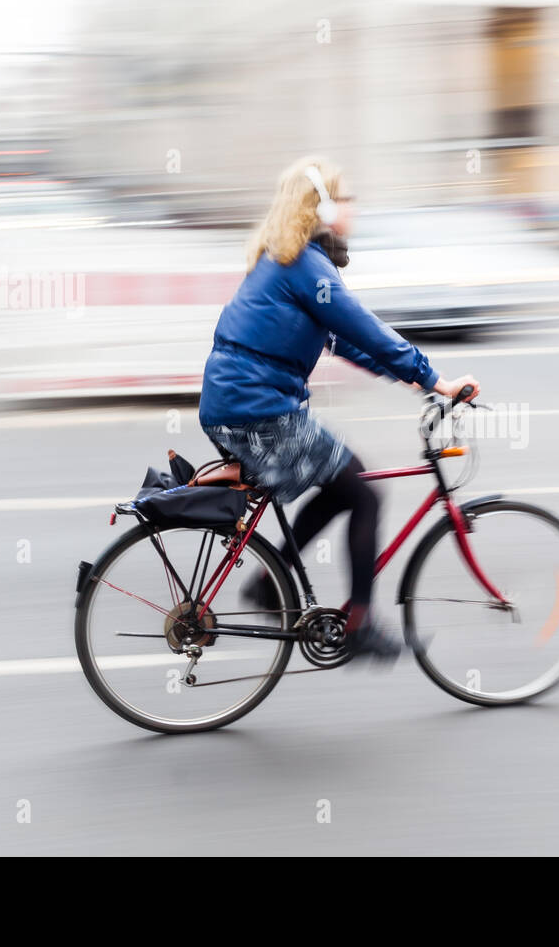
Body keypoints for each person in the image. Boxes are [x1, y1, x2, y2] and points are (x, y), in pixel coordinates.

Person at [198, 156, 479, 663]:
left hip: (242, 405)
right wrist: (436, 378)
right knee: (364, 495)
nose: (352, 207)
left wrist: (419, 384)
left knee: (343, 485)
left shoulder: (289, 262)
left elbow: (350, 344)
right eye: (345, 198)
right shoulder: (305, 265)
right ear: (323, 208)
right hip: (256, 411)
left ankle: (271, 581)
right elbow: (364, 327)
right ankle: (359, 623)